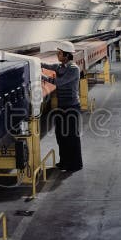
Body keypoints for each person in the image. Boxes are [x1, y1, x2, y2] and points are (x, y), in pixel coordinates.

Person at [41, 41, 83, 172]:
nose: (57, 55)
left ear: (67, 55)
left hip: (72, 107)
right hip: (61, 107)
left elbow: (59, 82)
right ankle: (64, 161)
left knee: (71, 136)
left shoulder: (73, 69)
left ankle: (75, 164)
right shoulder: (60, 66)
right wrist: (36, 63)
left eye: (59, 53)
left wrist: (42, 77)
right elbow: (48, 65)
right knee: (61, 135)